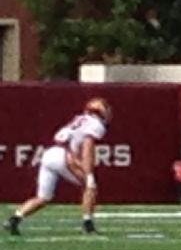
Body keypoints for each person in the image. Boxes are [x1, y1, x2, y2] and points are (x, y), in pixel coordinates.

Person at [8, 98, 112, 236]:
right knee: (90, 185)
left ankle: (15, 218)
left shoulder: (79, 119)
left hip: (49, 153)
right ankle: (88, 225)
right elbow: (87, 149)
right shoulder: (95, 124)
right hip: (63, 155)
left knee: (43, 198)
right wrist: (89, 173)